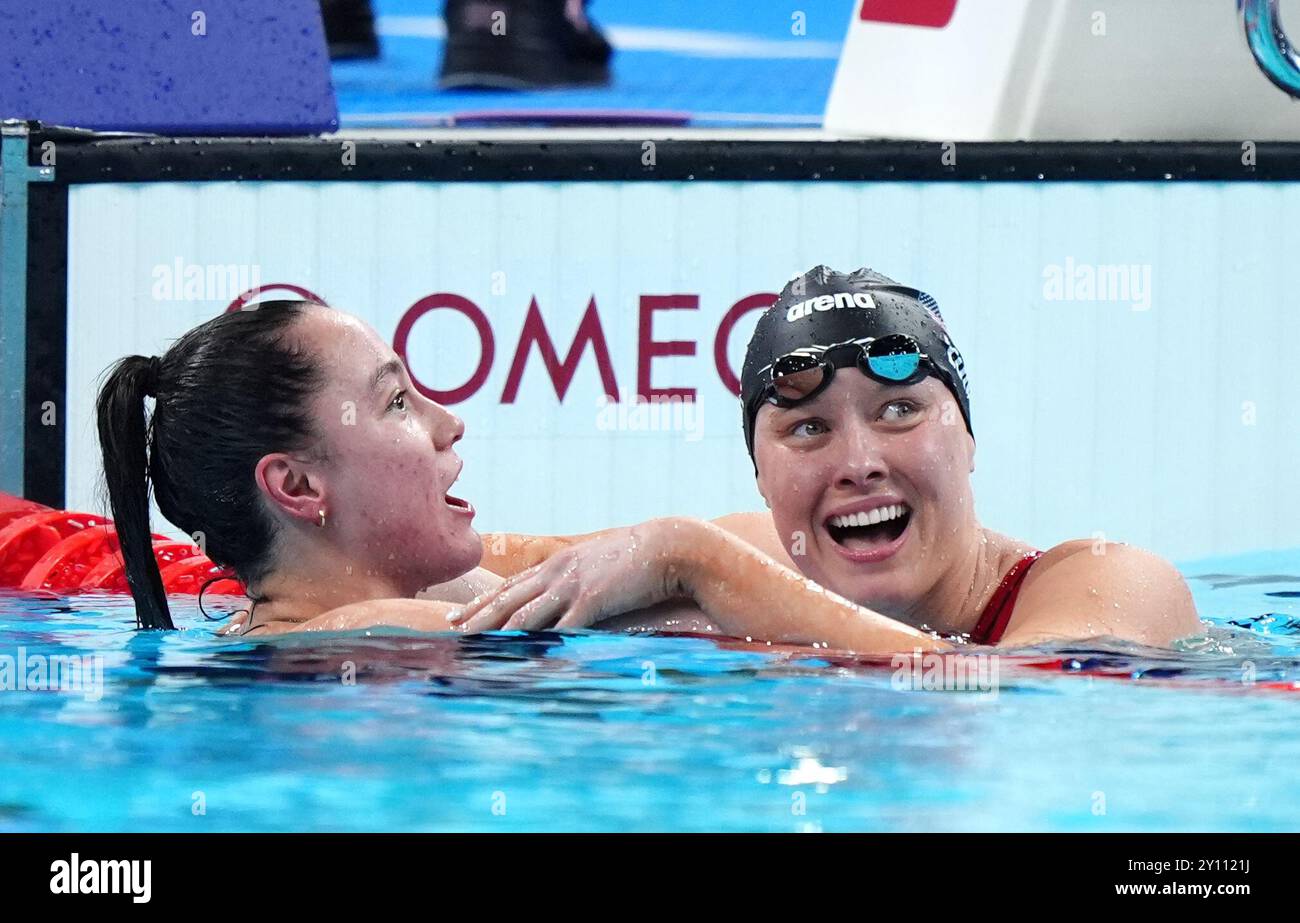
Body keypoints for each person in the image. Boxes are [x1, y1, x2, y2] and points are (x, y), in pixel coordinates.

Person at [456, 266, 1202, 651]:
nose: (859, 461)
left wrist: (702, 567)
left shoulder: (1111, 579)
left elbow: (1012, 700)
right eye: (808, 429)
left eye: (899, 411)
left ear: (969, 439)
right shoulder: (761, 559)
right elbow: (482, 574)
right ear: (759, 474)